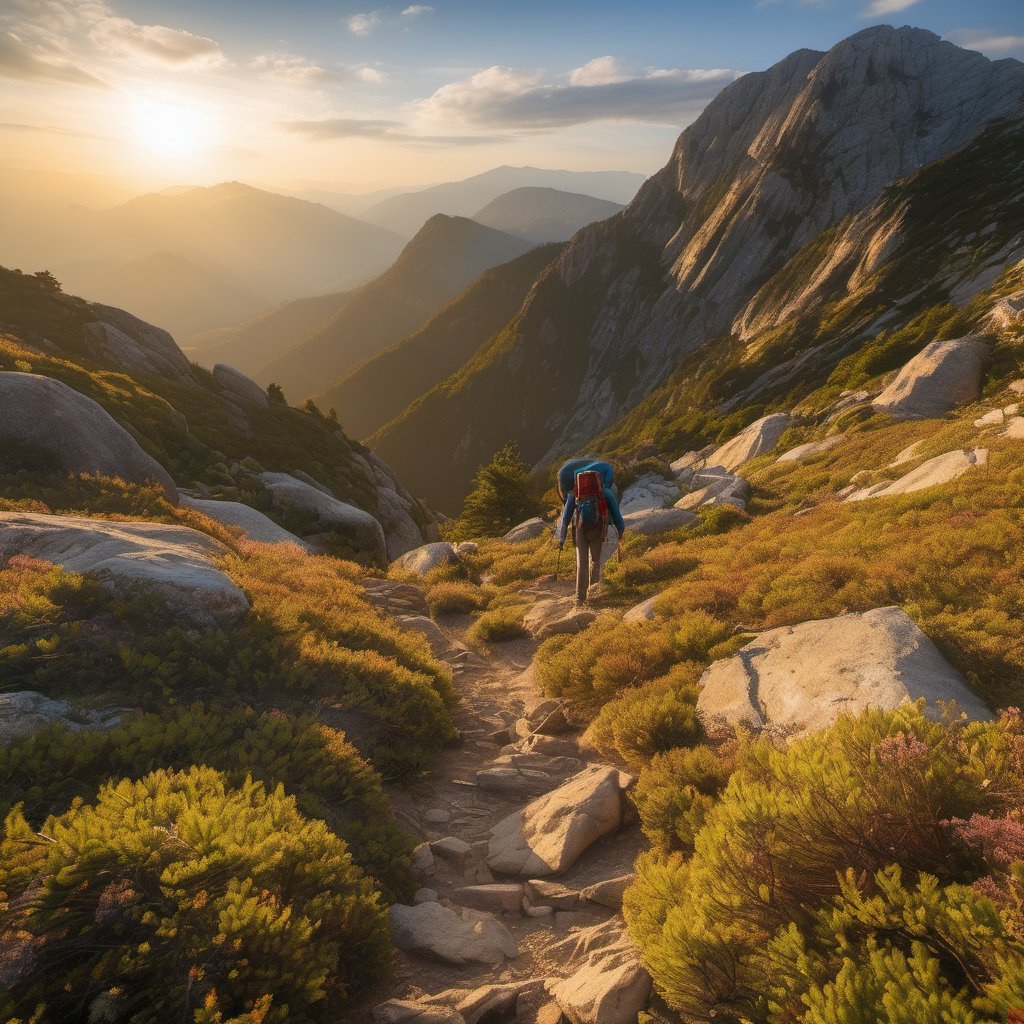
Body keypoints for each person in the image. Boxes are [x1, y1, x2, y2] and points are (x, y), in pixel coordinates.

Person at [555, 461, 625, 606]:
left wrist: (561, 538)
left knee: (582, 565)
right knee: (596, 562)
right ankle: (593, 596)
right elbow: (617, 517)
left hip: (581, 530)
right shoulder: (605, 492)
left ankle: (580, 599)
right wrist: (620, 531)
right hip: (598, 529)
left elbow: (565, 518)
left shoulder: (574, 494)